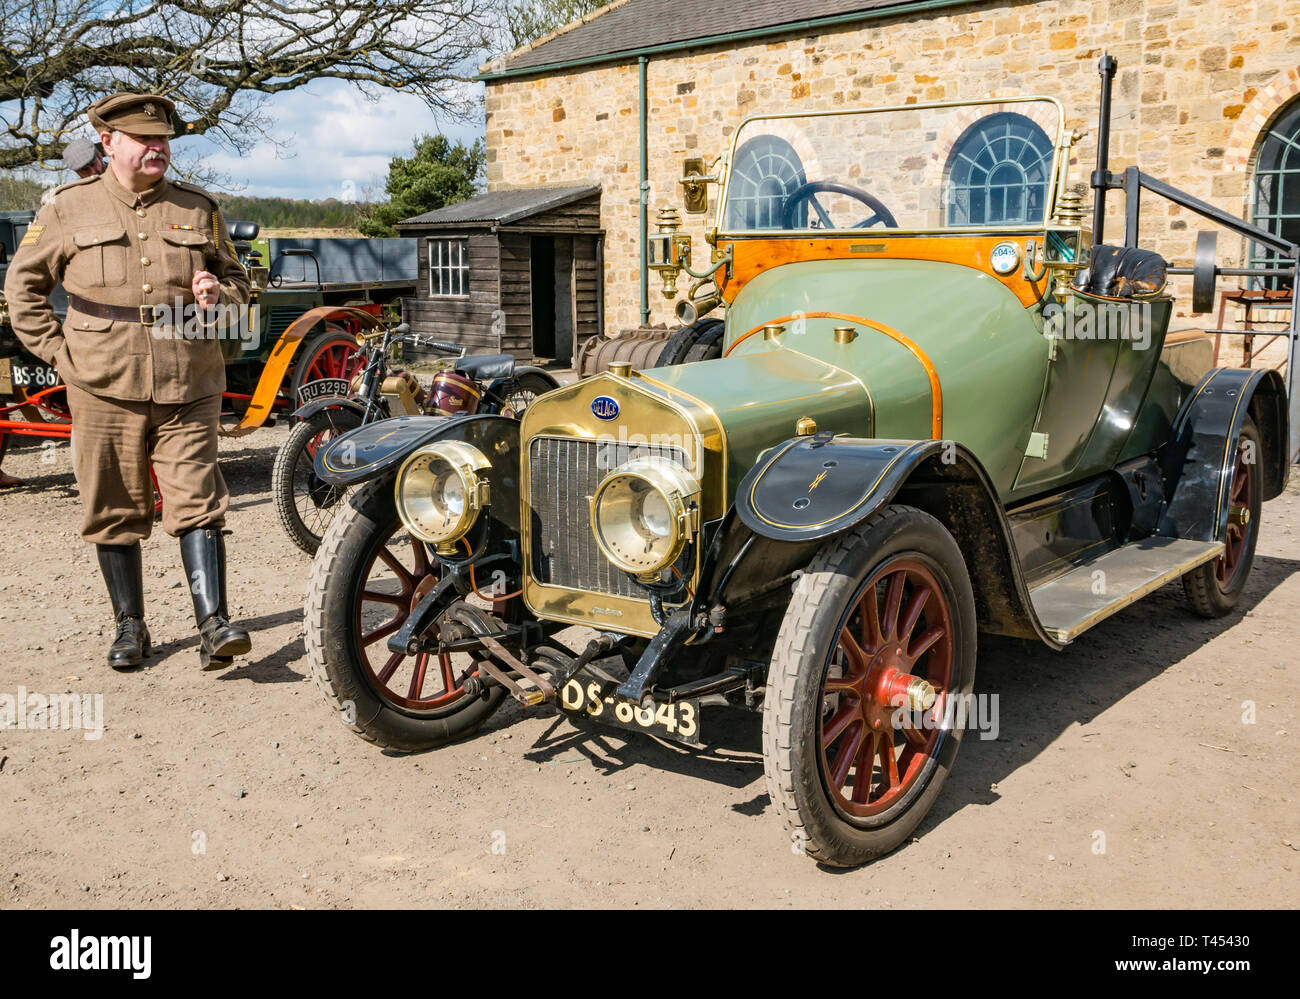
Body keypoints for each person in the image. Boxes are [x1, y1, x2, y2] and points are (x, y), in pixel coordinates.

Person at [3, 92, 252, 671]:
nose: (158, 149)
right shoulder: (67, 207)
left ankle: (214, 625)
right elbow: (24, 291)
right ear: (109, 142)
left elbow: (240, 283)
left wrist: (222, 296)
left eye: (164, 140)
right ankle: (130, 627)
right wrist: (62, 357)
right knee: (112, 505)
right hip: (101, 380)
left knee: (198, 502)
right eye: (146, 140)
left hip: (188, 378)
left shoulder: (198, 207)